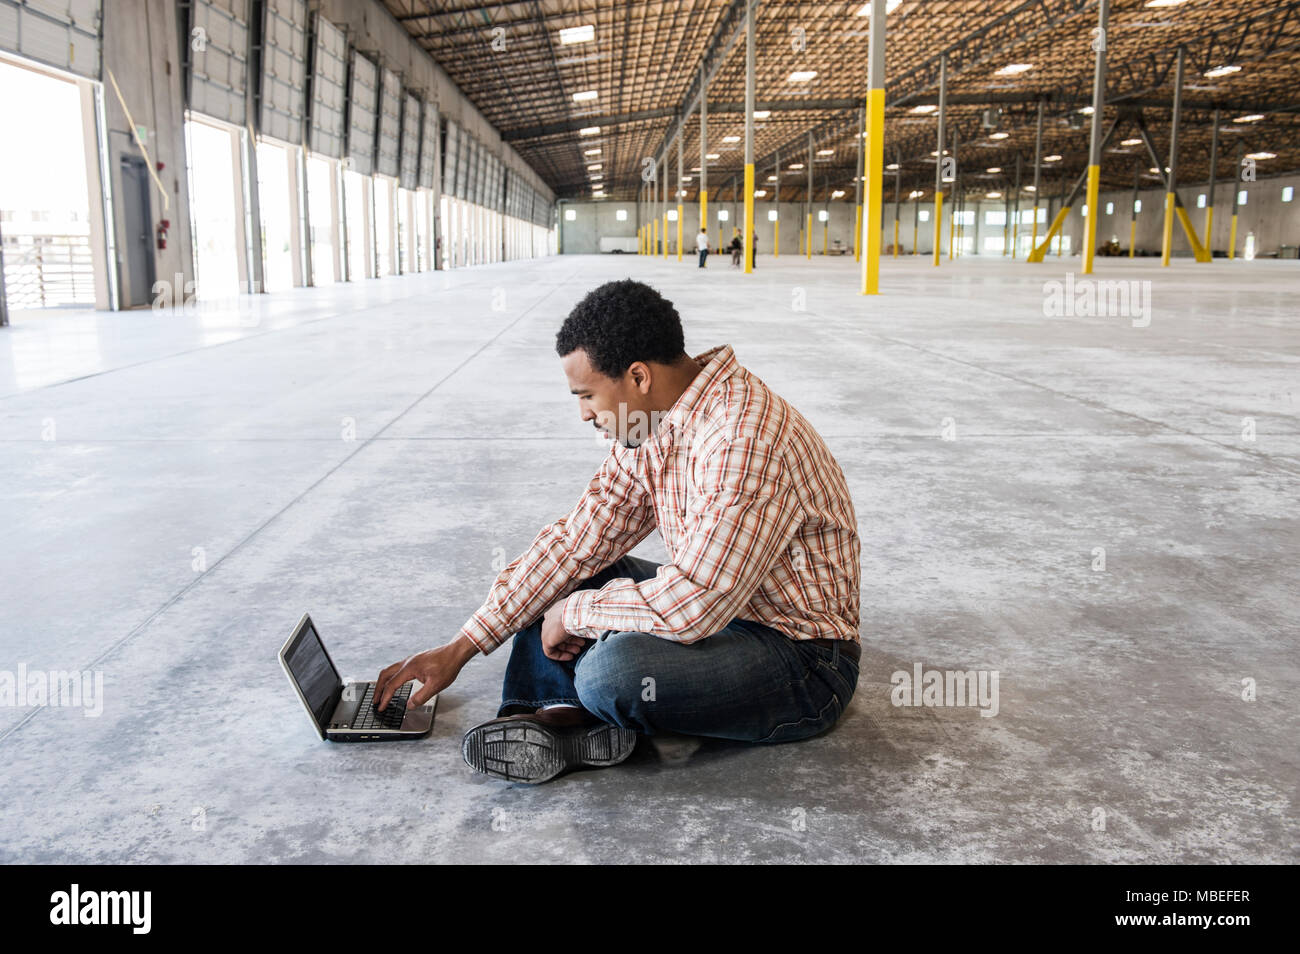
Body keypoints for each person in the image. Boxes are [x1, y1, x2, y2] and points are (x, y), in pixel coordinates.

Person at [374, 279, 862, 784]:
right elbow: (577, 542)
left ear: (637, 376)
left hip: (802, 660)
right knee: (560, 577)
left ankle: (576, 706)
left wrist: (577, 613)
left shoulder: (743, 439)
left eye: (586, 395)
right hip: (728, 612)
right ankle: (556, 721)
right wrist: (459, 648)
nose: (583, 413)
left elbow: (698, 601)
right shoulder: (652, 425)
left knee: (612, 673)